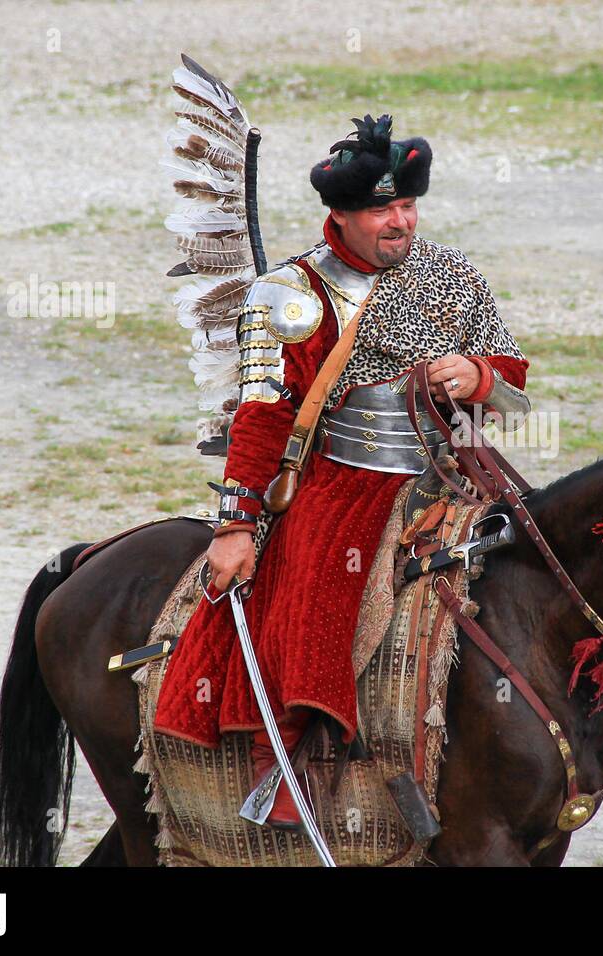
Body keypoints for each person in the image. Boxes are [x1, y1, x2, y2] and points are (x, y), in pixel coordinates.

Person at [152, 113, 531, 828]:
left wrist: (476, 376)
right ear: (342, 215)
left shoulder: (452, 275)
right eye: (382, 209)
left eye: (408, 205)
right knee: (316, 581)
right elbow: (261, 414)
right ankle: (289, 756)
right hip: (344, 478)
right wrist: (236, 526)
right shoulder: (287, 296)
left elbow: (512, 379)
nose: (400, 221)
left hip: (453, 468)